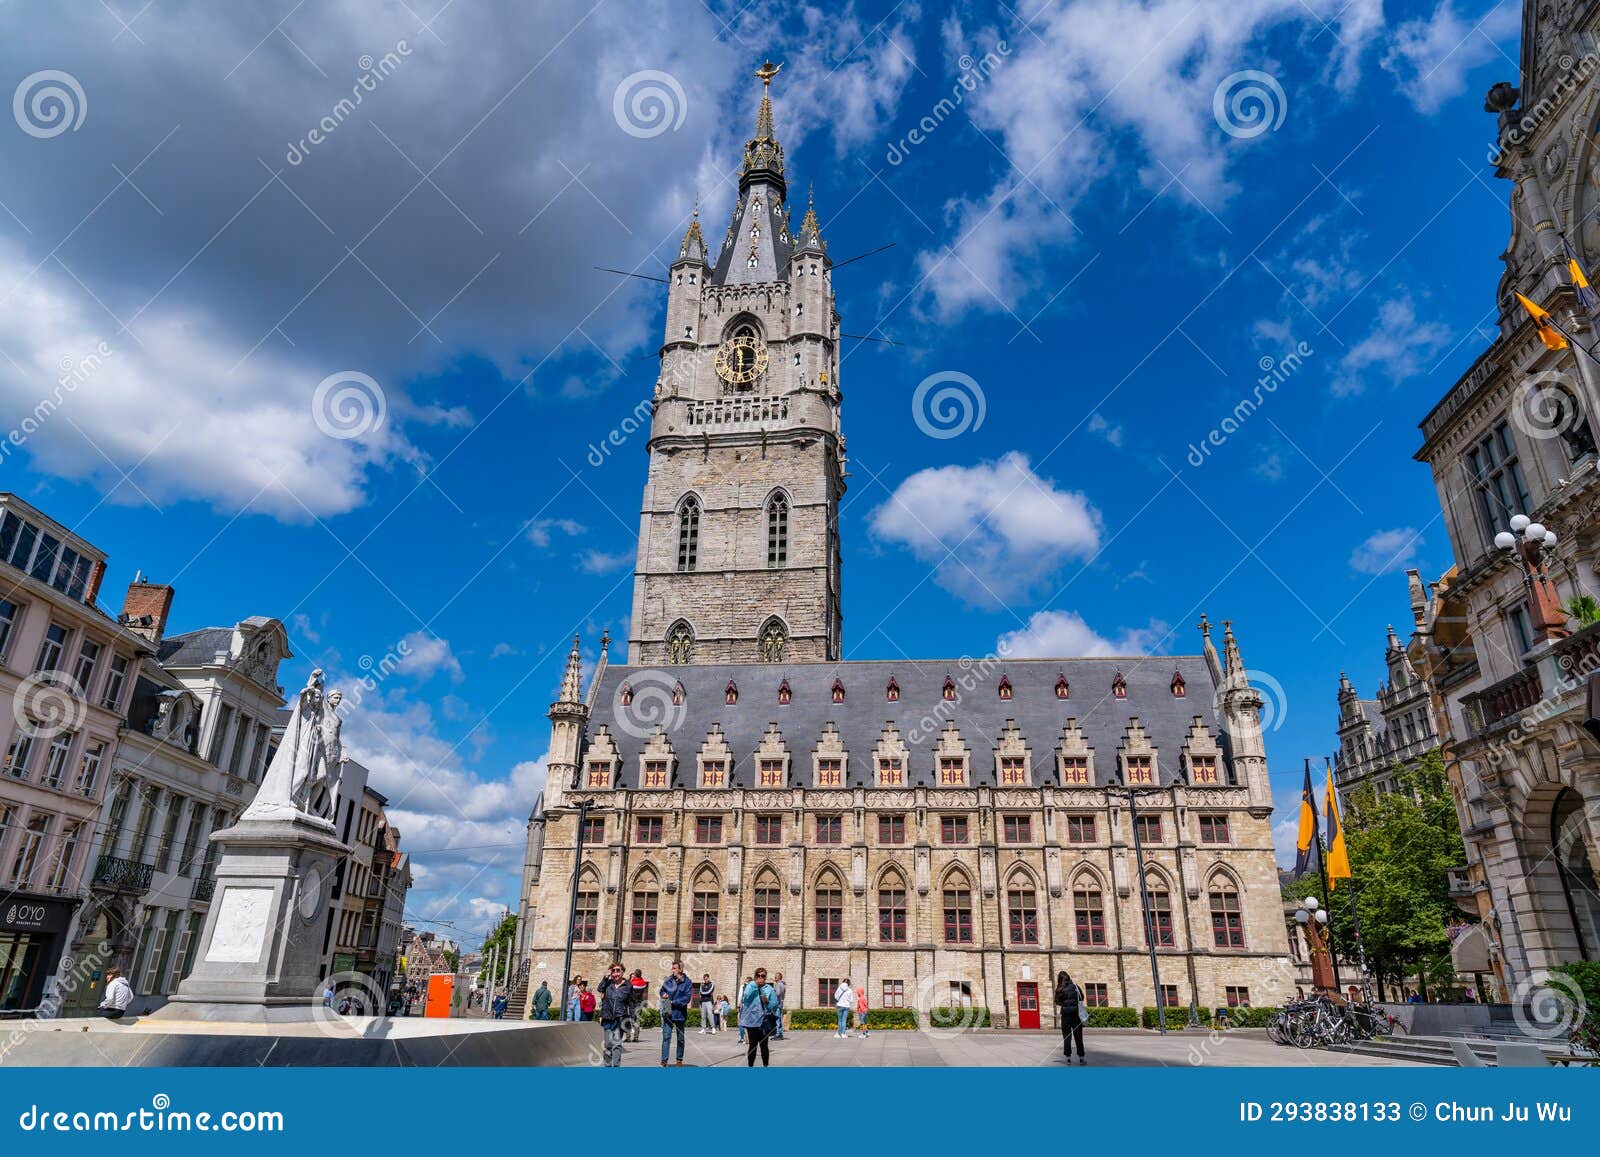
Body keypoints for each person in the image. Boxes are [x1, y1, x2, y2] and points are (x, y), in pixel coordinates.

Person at [740, 968, 778, 1067]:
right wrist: (755, 985)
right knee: (752, 1045)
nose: (760, 978)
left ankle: (765, 1066)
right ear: (755, 976)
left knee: (764, 1045)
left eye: (763, 976)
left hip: (763, 1021)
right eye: (758, 975)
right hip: (751, 1021)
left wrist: (767, 1002)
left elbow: (774, 1005)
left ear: (765, 977)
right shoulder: (750, 986)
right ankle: (750, 1066)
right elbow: (746, 997)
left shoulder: (769, 989)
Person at [659, 959, 694, 1067]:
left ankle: (679, 1059)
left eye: (674, 968)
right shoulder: (669, 980)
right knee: (666, 1037)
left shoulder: (687, 982)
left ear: (680, 969)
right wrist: (663, 994)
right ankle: (664, 1061)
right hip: (668, 1012)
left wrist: (674, 1002)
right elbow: (661, 990)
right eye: (672, 968)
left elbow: (687, 998)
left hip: (680, 1013)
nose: (672, 970)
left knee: (680, 1038)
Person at [597, 961, 631, 1068]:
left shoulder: (628, 986)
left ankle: (616, 1067)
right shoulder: (608, 983)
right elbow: (600, 989)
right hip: (607, 1018)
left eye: (618, 971)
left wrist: (632, 1018)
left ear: (622, 972)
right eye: (613, 971)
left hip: (620, 1019)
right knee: (608, 1045)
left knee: (616, 1045)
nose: (616, 973)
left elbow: (632, 1003)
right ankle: (607, 1066)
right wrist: (605, 977)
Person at [1054, 970, 1086, 1064]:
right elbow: (1082, 997)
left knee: (1067, 1037)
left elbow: (1057, 1002)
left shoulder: (1059, 989)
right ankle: (1081, 1057)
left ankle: (1068, 1057)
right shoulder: (1076, 987)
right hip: (1076, 1015)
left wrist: (1065, 1003)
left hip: (1065, 1016)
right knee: (1078, 1037)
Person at [626, 969, 649, 1042]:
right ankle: (636, 1037)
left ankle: (628, 1037)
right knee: (637, 1020)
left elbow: (627, 993)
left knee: (628, 1019)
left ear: (635, 974)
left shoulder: (631, 983)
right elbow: (645, 995)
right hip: (639, 1003)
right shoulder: (644, 983)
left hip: (631, 1004)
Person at [772, 971, 787, 1039]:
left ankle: (778, 1034)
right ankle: (780, 1033)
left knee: (777, 1018)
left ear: (779, 977)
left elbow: (778, 993)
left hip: (777, 1003)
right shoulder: (782, 984)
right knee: (779, 1018)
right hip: (781, 1003)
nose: (774, 977)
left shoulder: (778, 984)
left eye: (776, 976)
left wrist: (773, 993)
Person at [738, 977, 752, 1042]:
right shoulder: (754, 987)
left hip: (743, 1006)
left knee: (741, 1022)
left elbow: (740, 996)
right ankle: (749, 1037)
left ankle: (742, 1037)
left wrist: (738, 1005)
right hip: (751, 1007)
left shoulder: (743, 986)